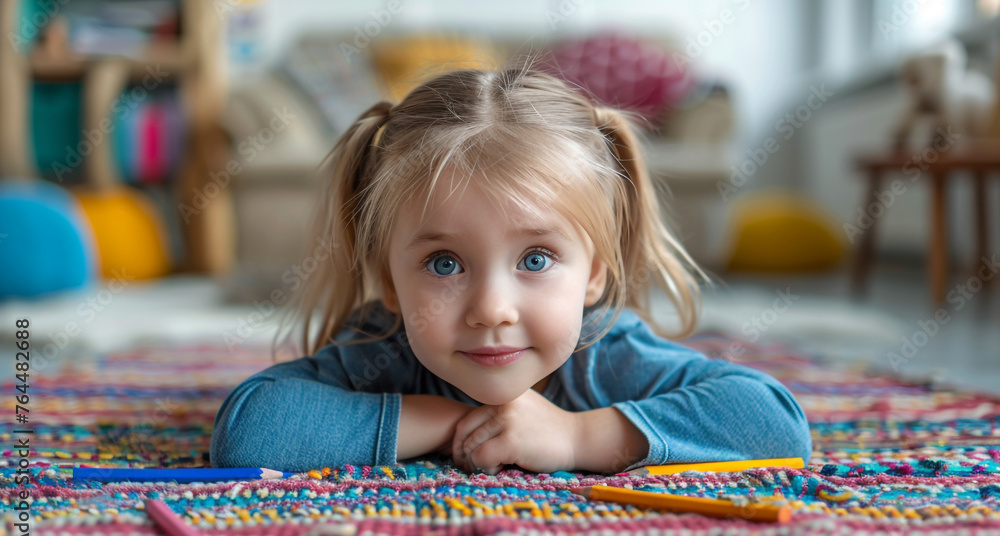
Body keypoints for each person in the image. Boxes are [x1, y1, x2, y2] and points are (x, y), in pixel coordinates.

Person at [210, 58, 812, 475]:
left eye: (536, 258)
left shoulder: (604, 350)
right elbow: (250, 432)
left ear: (594, 274)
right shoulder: (383, 349)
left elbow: (775, 425)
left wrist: (579, 437)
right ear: (390, 281)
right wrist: (447, 423)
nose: (492, 310)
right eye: (444, 263)